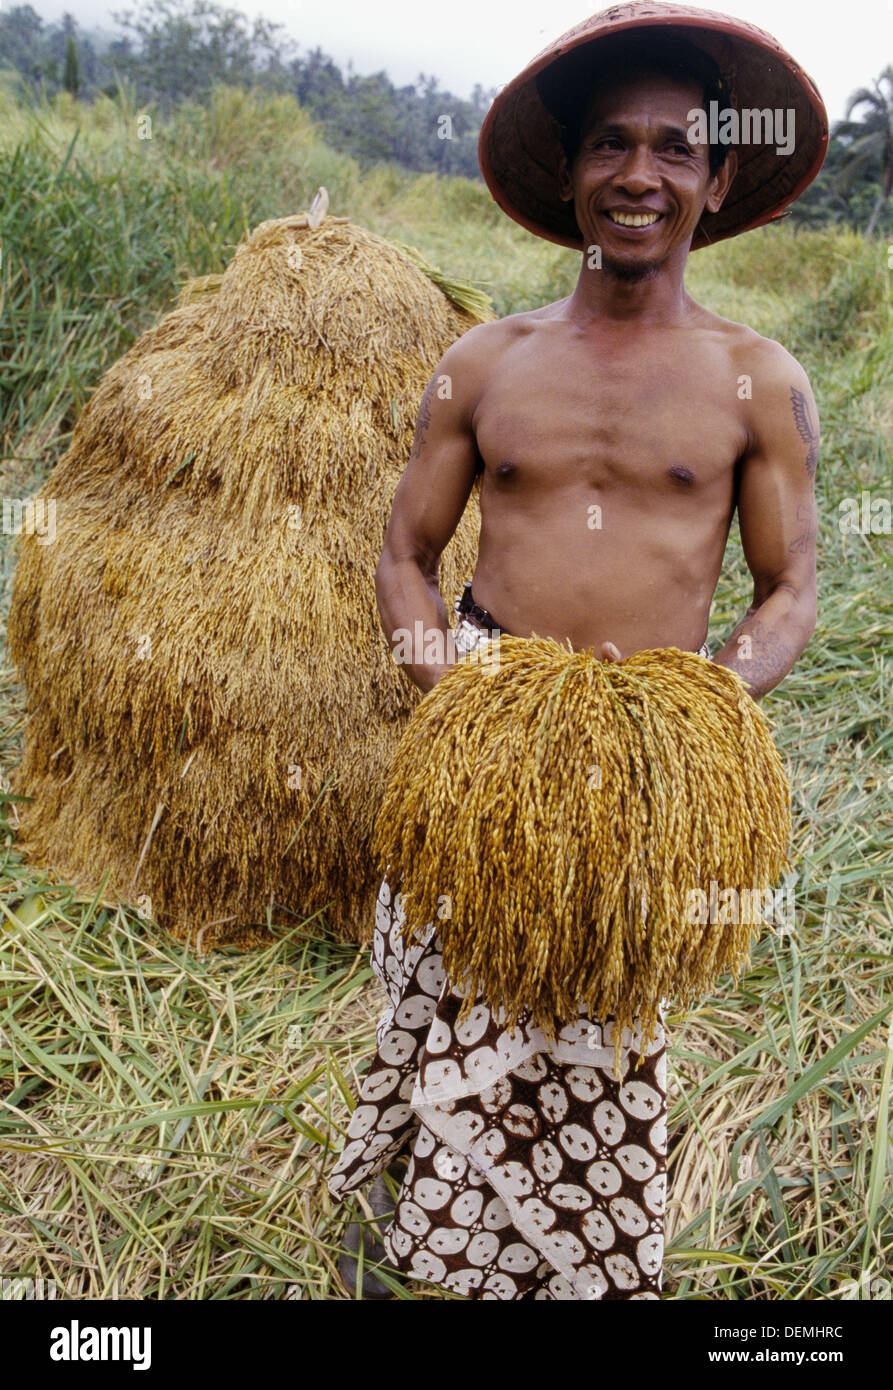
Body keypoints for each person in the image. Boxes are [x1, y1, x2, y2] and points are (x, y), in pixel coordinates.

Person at [327, 1, 827, 1300]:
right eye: (611, 143)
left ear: (719, 178)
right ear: (569, 172)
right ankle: (403, 1235)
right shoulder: (484, 362)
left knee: (594, 1022)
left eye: (674, 149)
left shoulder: (756, 379)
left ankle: (570, 1268)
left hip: (644, 753)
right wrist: (455, 697)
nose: (638, 176)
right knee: (437, 1000)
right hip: (480, 728)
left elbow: (788, 588)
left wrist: (701, 710)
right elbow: (402, 555)